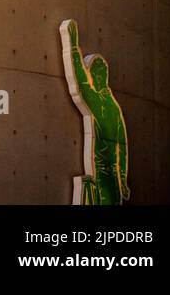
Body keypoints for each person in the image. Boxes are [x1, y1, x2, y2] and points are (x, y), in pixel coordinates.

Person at [60, 19, 129, 205]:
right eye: (97, 73)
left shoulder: (105, 103)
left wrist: (73, 46)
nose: (98, 77)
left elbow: (121, 146)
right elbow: (79, 79)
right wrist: (71, 46)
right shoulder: (107, 103)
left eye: (100, 74)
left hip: (107, 175)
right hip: (107, 174)